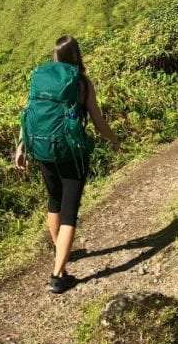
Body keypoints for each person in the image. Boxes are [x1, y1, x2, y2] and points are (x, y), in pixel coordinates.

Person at [14, 35, 120, 294]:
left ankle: (61, 251)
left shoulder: (42, 78)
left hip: (41, 148)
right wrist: (114, 139)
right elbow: (96, 119)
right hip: (71, 153)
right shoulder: (81, 83)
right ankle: (58, 275)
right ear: (77, 56)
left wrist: (21, 146)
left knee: (54, 202)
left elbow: (30, 113)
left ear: (55, 56)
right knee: (69, 212)